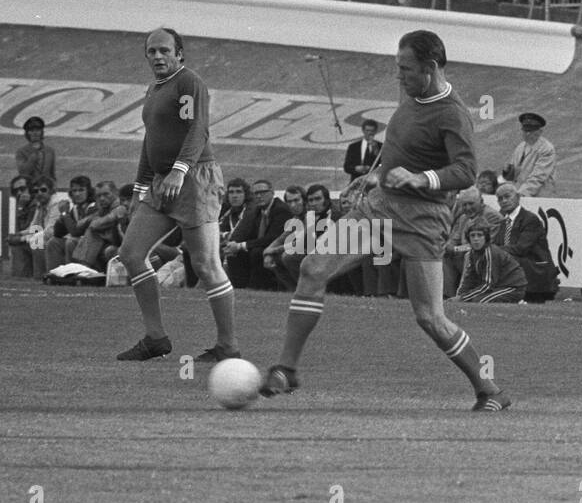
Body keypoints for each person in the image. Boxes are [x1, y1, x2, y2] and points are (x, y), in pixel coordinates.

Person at [260, 29, 510, 411]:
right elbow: (406, 147)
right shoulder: (412, 95)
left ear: (429, 69)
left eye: (405, 69)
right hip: (380, 209)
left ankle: (488, 389)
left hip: (425, 219)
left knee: (429, 317)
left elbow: (465, 171)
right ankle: (287, 368)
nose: (399, 75)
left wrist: (417, 179)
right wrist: (378, 175)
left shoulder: (453, 114)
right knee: (312, 267)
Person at [115, 28, 240, 363]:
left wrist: (180, 169)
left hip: (194, 179)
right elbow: (151, 140)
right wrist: (141, 187)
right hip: (161, 182)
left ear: (179, 54)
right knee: (130, 253)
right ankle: (155, 338)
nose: (157, 57)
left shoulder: (189, 83)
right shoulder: (154, 89)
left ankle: (228, 346)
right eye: (152, 51)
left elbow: (198, 129)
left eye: (164, 51)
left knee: (206, 264)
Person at [494, 182, 557, 301]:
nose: (504, 201)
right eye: (500, 199)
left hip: (534, 269)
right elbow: (497, 244)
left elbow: (521, 249)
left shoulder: (530, 219)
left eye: (507, 196)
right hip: (516, 266)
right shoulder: (502, 220)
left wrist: (493, 250)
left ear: (518, 197)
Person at [452, 221, 527, 303]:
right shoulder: (472, 253)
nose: (476, 239)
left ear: (486, 237)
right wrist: (459, 296)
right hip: (497, 286)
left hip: (512, 286)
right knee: (471, 300)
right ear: (468, 238)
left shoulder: (490, 252)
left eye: (479, 235)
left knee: (480, 302)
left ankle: (517, 303)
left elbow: (488, 285)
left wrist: (462, 298)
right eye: (472, 235)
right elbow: (469, 279)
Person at [501, 112, 558, 196]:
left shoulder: (547, 149)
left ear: (540, 131)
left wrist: (520, 194)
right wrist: (507, 172)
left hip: (540, 197)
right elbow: (512, 175)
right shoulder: (520, 147)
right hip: (519, 194)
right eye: (525, 130)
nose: (527, 134)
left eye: (531, 131)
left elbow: (538, 178)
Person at [15, 116, 57, 187]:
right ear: (27, 133)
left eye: (37, 130)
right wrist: (33, 157)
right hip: (30, 189)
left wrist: (54, 186)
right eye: (31, 130)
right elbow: (23, 173)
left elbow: (52, 173)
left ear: (41, 132)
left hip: (46, 190)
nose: (35, 133)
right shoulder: (21, 151)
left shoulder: (50, 151)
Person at [343, 118, 383, 182]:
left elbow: (383, 165)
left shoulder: (381, 147)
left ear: (376, 131)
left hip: (373, 182)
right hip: (357, 181)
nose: (369, 133)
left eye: (372, 131)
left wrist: (376, 151)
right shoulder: (353, 147)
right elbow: (346, 167)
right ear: (363, 130)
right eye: (367, 130)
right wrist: (356, 169)